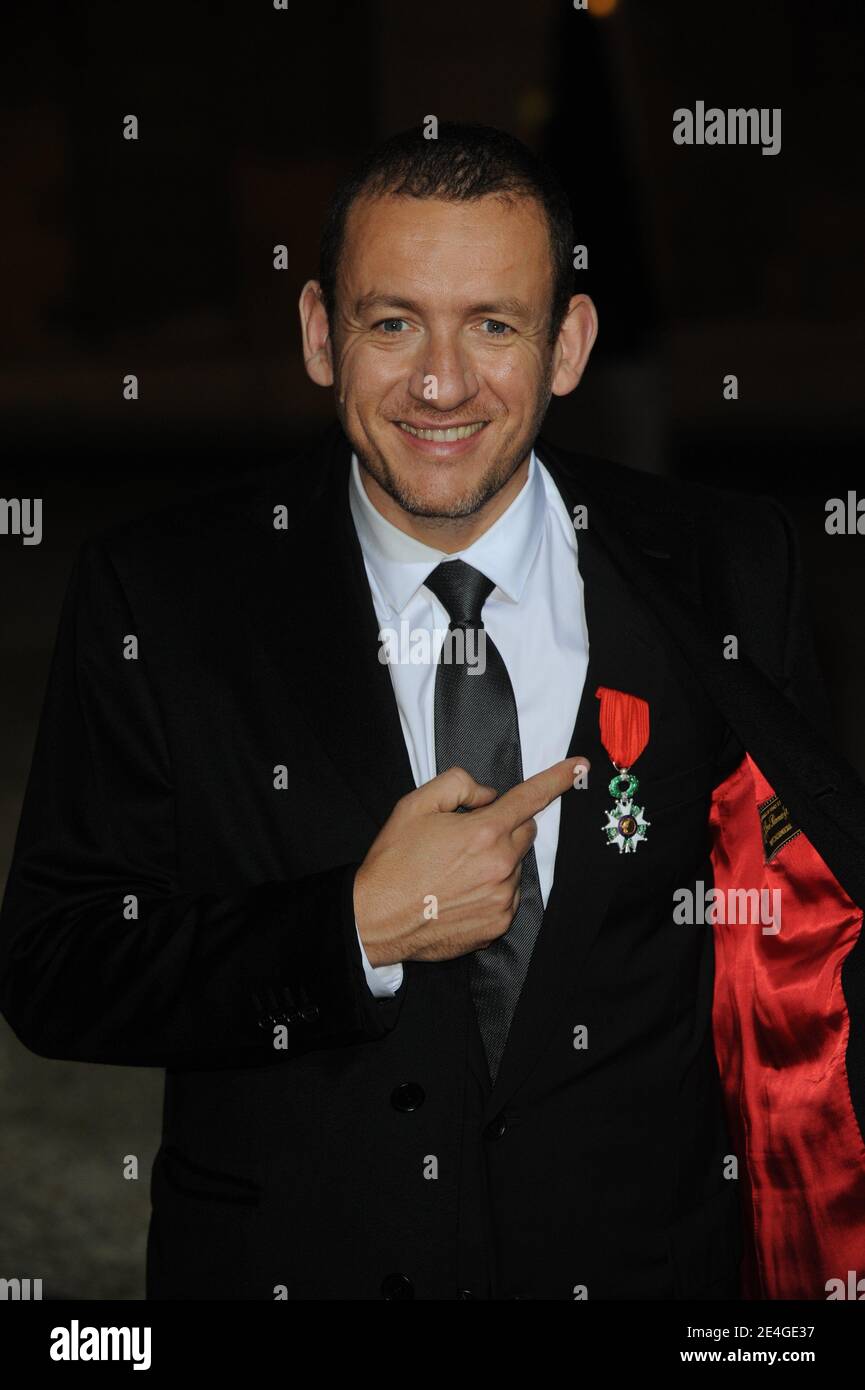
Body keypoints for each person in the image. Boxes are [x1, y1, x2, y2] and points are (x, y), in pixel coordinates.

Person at [2, 123, 864, 1301]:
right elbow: (58, 967)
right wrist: (356, 926)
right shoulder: (161, 593)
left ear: (569, 344)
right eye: (391, 320)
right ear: (319, 333)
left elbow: (805, 926)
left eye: (493, 325)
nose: (440, 382)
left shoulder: (725, 565)